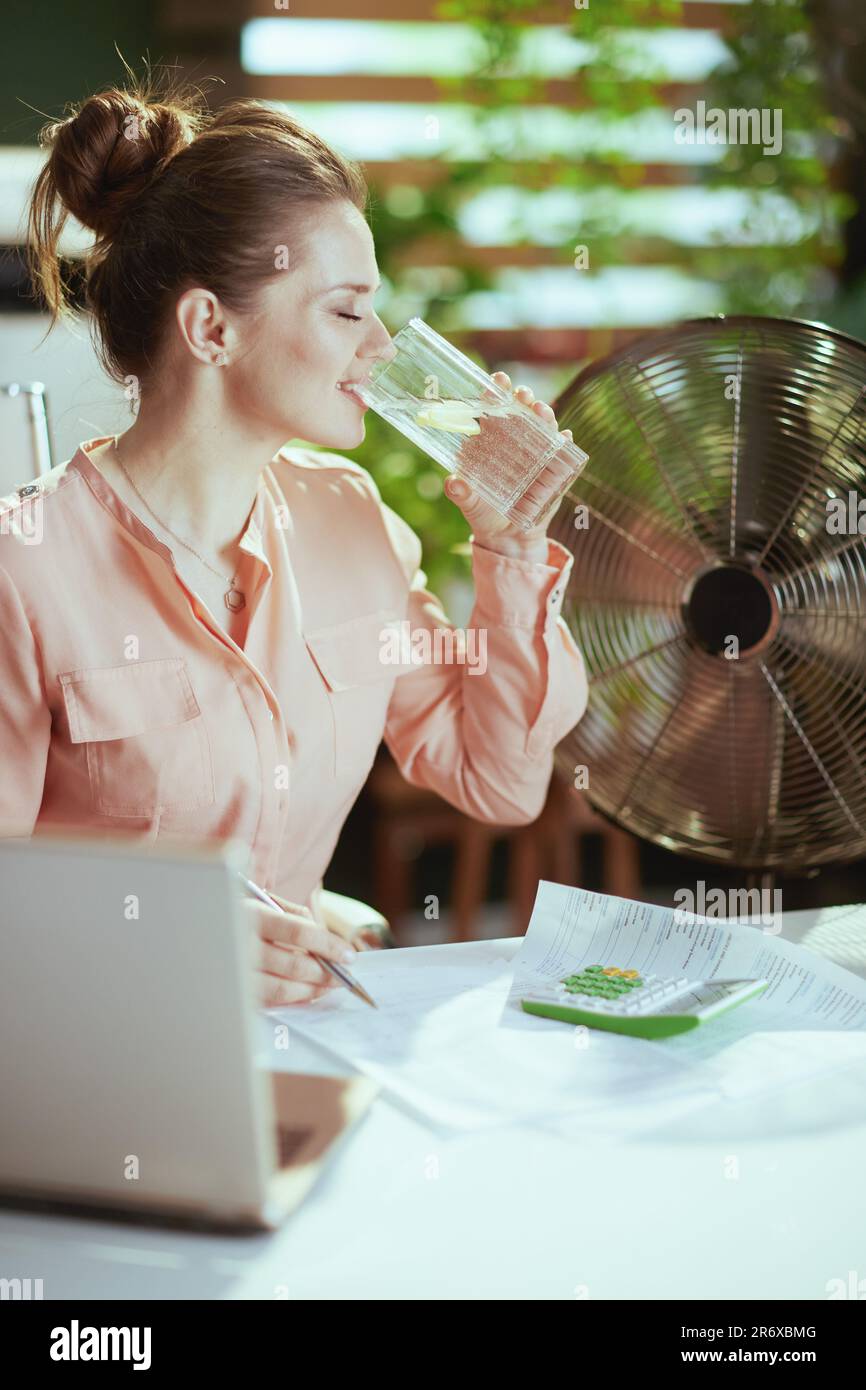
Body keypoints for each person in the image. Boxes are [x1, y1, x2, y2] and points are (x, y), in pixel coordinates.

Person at [3, 75, 589, 1005]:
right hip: (100, 1071)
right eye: (348, 309)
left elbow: (499, 782)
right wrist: (159, 943)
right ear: (211, 328)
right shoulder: (24, 570)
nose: (384, 347)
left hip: (318, 1043)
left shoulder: (351, 521)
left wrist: (513, 549)